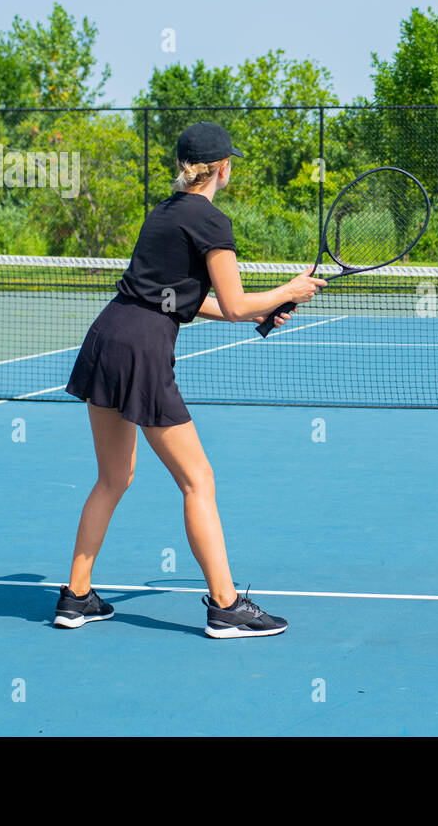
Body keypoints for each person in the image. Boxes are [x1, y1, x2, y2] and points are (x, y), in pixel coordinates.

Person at [55, 121, 326, 638]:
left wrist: (262, 310)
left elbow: (182, 300)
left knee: (113, 478)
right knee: (197, 480)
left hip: (106, 336)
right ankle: (225, 607)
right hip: (142, 352)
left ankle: (77, 597)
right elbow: (236, 301)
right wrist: (284, 291)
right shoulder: (211, 222)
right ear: (222, 167)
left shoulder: (162, 214)